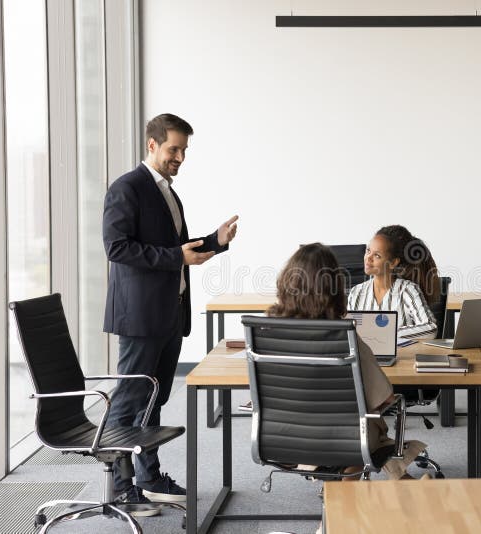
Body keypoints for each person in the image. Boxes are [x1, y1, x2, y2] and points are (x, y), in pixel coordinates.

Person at [102, 113, 239, 515]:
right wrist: (174, 255)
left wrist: (216, 241)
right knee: (129, 402)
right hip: (140, 317)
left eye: (183, 150)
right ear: (152, 144)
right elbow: (117, 248)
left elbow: (179, 249)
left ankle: (149, 477)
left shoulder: (167, 192)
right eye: (173, 149)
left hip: (168, 314)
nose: (179, 157)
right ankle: (121, 488)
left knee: (155, 401)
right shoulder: (128, 188)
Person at [268, 243, 426, 480]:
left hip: (282, 436)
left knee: (354, 428)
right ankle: (349, 500)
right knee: (366, 426)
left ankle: (402, 486)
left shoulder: (267, 332)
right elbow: (385, 398)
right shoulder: (345, 337)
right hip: (343, 439)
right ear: (334, 289)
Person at [347, 225, 438, 339]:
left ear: (393, 262)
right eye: (368, 250)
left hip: (402, 355)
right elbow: (350, 333)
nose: (368, 258)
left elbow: (431, 328)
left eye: (377, 255)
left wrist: (387, 333)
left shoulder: (407, 290)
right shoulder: (356, 293)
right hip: (367, 355)